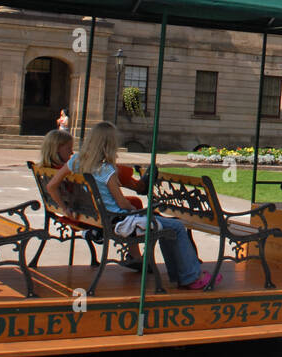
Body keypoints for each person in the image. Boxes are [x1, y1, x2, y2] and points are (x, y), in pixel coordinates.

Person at [46, 121, 215, 289]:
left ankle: (184, 275)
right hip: (119, 221)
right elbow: (121, 203)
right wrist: (134, 209)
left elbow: (51, 186)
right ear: (109, 145)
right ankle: (190, 277)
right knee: (176, 226)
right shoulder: (107, 170)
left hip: (99, 219)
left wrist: (65, 208)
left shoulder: (75, 161)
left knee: (167, 226)